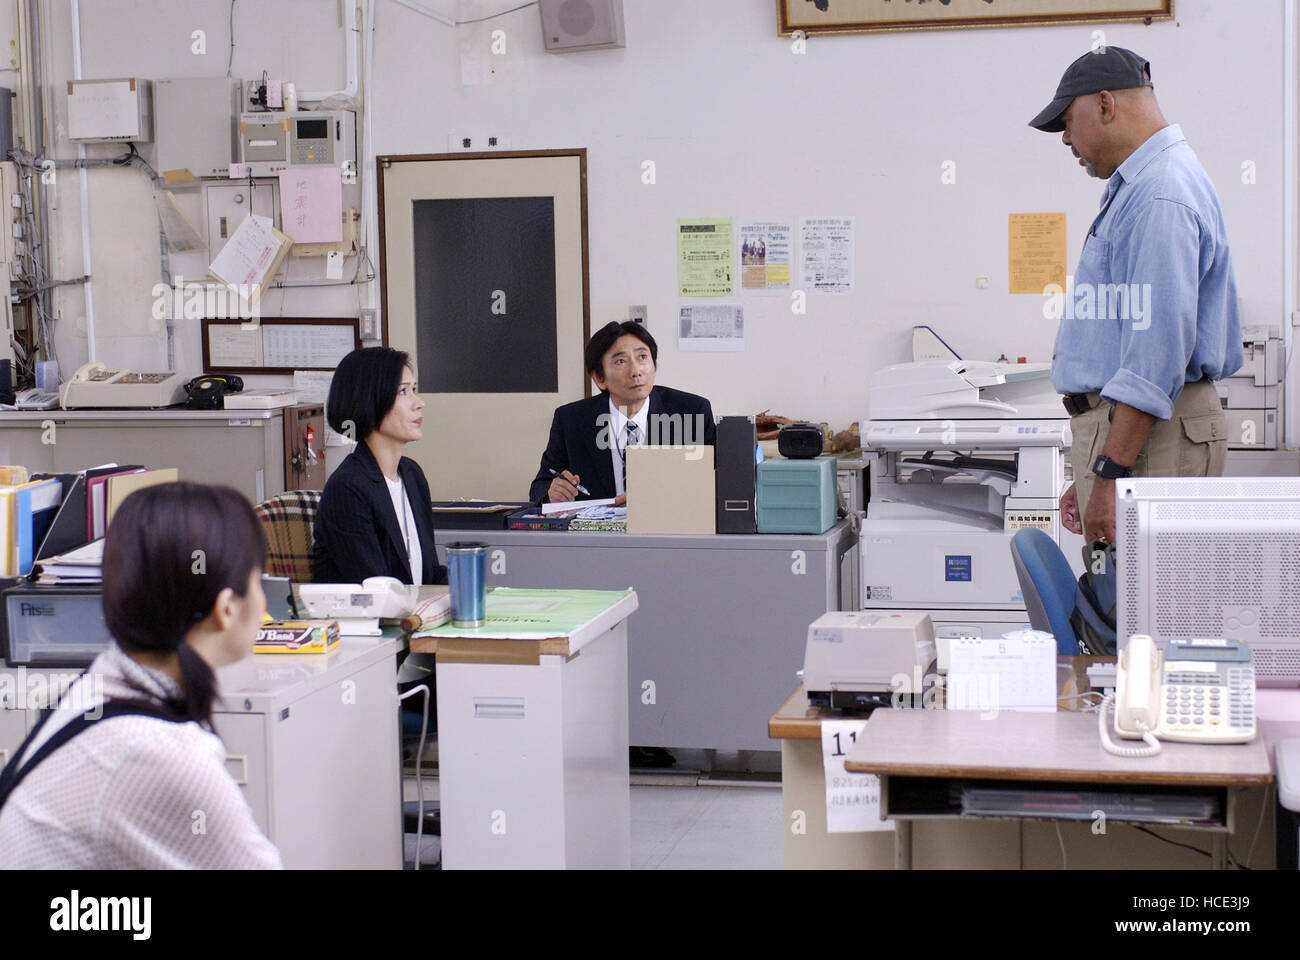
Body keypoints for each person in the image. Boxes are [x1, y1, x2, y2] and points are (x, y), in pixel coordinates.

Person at [0, 483, 282, 869]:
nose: (264, 600)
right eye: (257, 580)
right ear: (227, 609)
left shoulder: (105, 684)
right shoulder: (159, 751)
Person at [1029, 46, 1241, 544]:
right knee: (1121, 604)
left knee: (1143, 615)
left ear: (1105, 106)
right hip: (1138, 440)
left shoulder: (1160, 194)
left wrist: (1110, 472)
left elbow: (1155, 353)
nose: (1065, 138)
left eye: (1067, 120)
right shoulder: (1144, 184)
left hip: (1152, 441)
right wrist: (1096, 466)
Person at [529, 321, 717, 505]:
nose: (636, 371)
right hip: (597, 533)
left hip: (669, 527)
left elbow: (720, 480)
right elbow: (540, 485)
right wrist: (551, 493)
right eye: (620, 361)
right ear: (599, 378)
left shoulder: (692, 413)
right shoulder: (571, 420)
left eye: (642, 357)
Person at [312, 347, 447, 586]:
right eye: (403, 392)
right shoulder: (348, 488)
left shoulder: (412, 475)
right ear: (369, 401)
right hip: (370, 622)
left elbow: (429, 576)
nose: (419, 403)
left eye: (413, 390)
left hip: (413, 618)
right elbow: (377, 590)